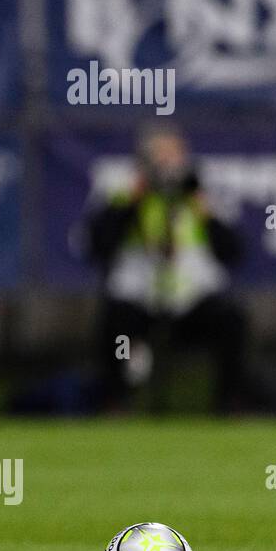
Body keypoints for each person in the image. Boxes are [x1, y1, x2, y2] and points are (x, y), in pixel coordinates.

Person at [84, 126, 246, 413]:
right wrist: (135, 198)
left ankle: (228, 403)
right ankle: (117, 401)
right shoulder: (121, 193)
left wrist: (201, 208)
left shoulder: (201, 196)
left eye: (175, 159)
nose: (169, 169)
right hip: (141, 297)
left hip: (189, 300)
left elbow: (234, 251)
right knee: (116, 321)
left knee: (232, 317)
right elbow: (98, 246)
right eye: (161, 160)